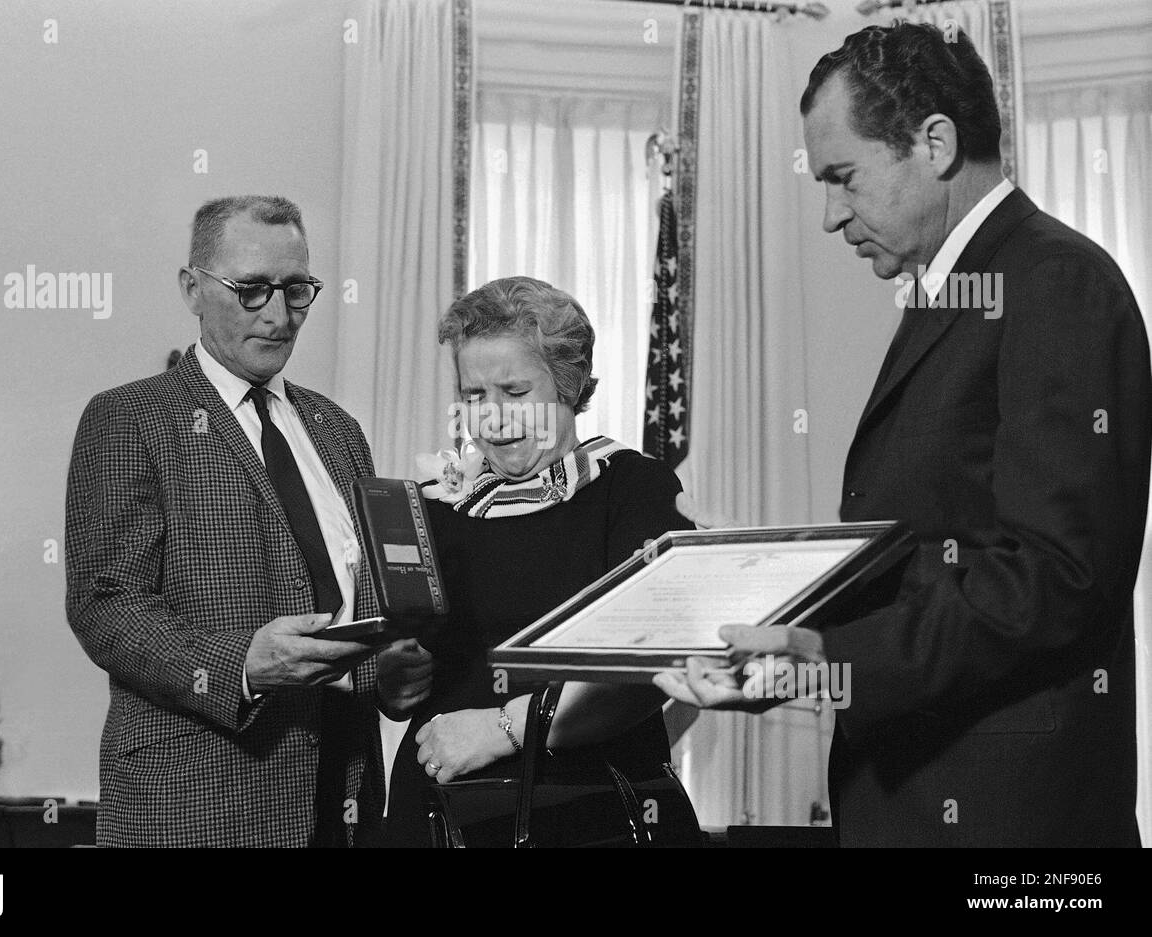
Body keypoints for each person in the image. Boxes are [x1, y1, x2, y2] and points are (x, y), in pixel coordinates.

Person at [656, 23, 1151, 847]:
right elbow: (941, 546)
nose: (829, 215)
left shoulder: (1056, 280)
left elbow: (1053, 576)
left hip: (1007, 824)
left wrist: (824, 658)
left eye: (843, 177)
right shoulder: (960, 289)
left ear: (934, 141)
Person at [65, 196, 401, 847]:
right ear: (193, 287)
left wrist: (395, 669)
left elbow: (359, 604)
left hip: (343, 798)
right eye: (250, 290)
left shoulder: (339, 430)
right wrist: (243, 663)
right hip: (200, 806)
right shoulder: (129, 417)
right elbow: (106, 605)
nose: (278, 316)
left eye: (297, 289)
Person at [375, 276, 694, 847]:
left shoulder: (634, 490)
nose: (492, 418)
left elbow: (648, 670)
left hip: (592, 811)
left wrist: (504, 729)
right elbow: (405, 673)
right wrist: (392, 682)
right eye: (474, 396)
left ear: (570, 387)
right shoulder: (430, 507)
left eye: (515, 392)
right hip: (435, 815)